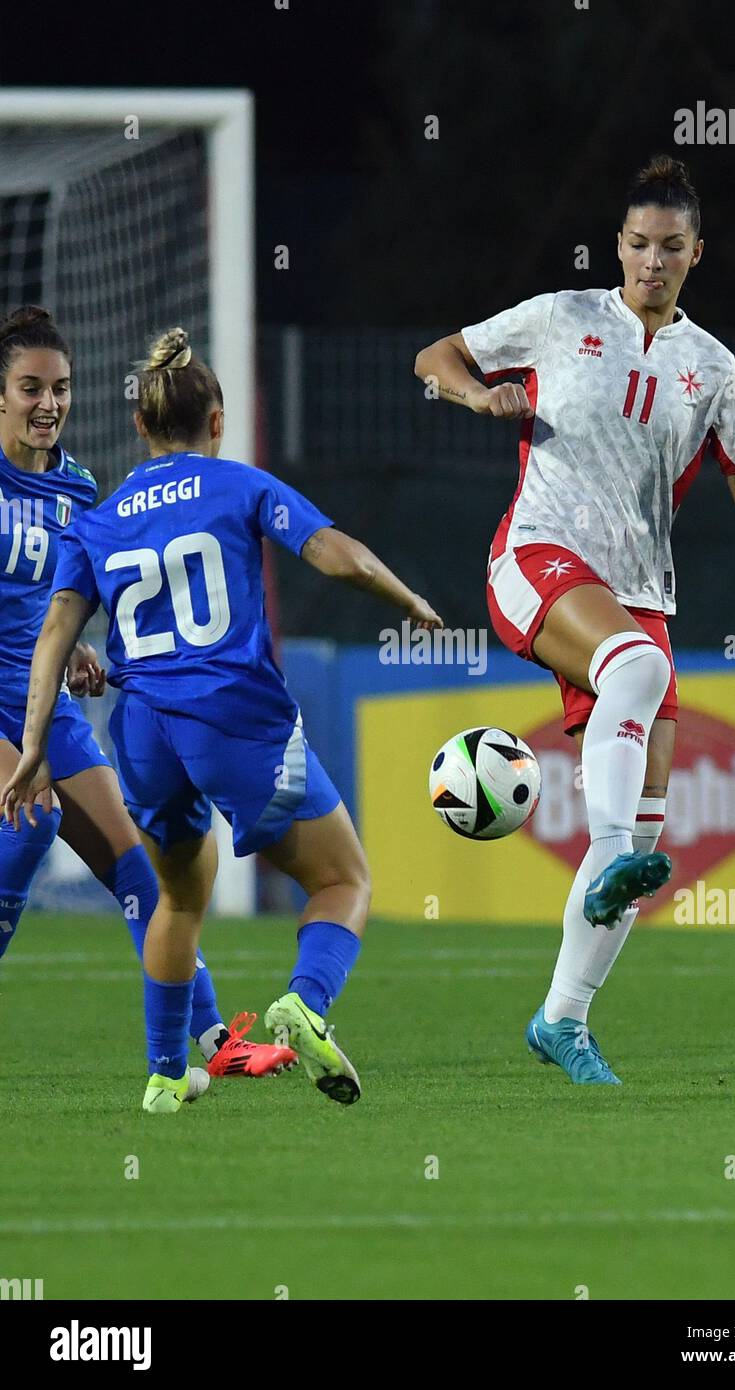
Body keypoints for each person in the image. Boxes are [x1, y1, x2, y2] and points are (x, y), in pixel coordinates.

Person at [414, 155, 735, 1086]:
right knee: (637, 678)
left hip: (640, 591)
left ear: (698, 254)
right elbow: (434, 357)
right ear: (619, 245)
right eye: (639, 245)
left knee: (649, 837)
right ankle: (604, 852)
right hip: (536, 558)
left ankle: (562, 1019)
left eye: (672, 248)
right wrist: (476, 392)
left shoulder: (712, 368)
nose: (653, 262)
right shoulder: (563, 318)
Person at [4, 326, 442, 1113]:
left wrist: (33, 742)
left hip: (139, 732)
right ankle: (304, 1004)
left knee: (173, 897)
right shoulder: (238, 485)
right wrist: (405, 598)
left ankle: (169, 1075)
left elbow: (53, 633)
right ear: (218, 422)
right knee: (343, 878)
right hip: (234, 719)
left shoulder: (95, 514)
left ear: (139, 426)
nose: (50, 405)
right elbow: (334, 552)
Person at [0, 306, 296, 1085]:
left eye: (59, 388)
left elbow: (55, 606)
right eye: (29, 388)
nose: (47, 404)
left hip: (39, 704)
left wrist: (77, 654)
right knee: (35, 820)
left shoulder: (77, 490)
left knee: (140, 870)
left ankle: (209, 1044)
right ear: (0, 396)